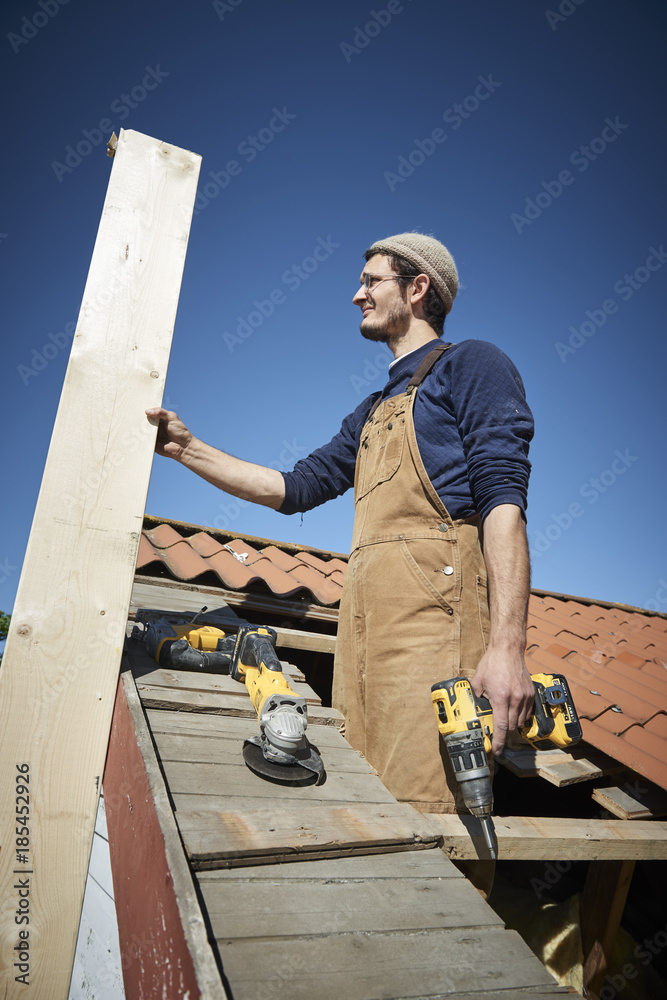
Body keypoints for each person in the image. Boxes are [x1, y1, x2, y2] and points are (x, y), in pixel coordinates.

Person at [147, 231, 535, 822]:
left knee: (428, 813)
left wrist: (507, 648)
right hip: (366, 633)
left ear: (418, 288)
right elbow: (293, 488)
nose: (357, 295)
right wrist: (186, 449)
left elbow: (503, 506)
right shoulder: (374, 410)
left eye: (371, 281)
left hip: (435, 631)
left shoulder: (473, 365)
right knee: (365, 801)